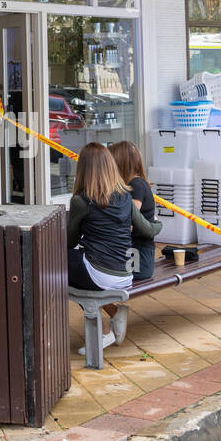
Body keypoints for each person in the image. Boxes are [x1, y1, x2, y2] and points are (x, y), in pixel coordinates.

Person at [67, 142, 161, 346]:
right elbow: (145, 228)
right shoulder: (126, 198)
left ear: (82, 169)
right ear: (110, 166)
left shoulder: (80, 201)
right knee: (81, 271)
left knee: (56, 261)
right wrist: (159, 225)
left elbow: (69, 241)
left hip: (100, 274)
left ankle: (102, 332)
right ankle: (111, 318)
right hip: (126, 275)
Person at [109, 140, 160, 282]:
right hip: (136, 255)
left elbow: (127, 223)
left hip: (137, 258)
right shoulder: (138, 184)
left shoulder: (136, 186)